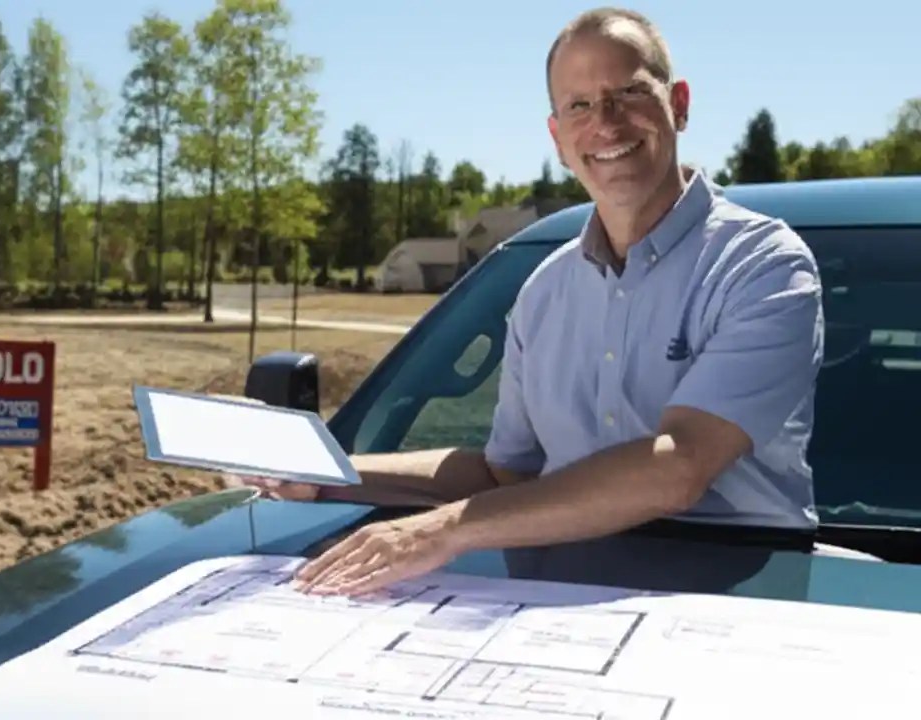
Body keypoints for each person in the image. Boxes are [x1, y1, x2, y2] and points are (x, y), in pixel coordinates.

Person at [238, 7, 824, 597]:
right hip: (551, 600)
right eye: (580, 106)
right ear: (558, 139)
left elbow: (678, 467)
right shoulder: (543, 293)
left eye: (628, 92)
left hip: (738, 599)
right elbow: (503, 476)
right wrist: (325, 475)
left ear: (679, 104)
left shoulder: (761, 265)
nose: (607, 124)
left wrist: (437, 533)